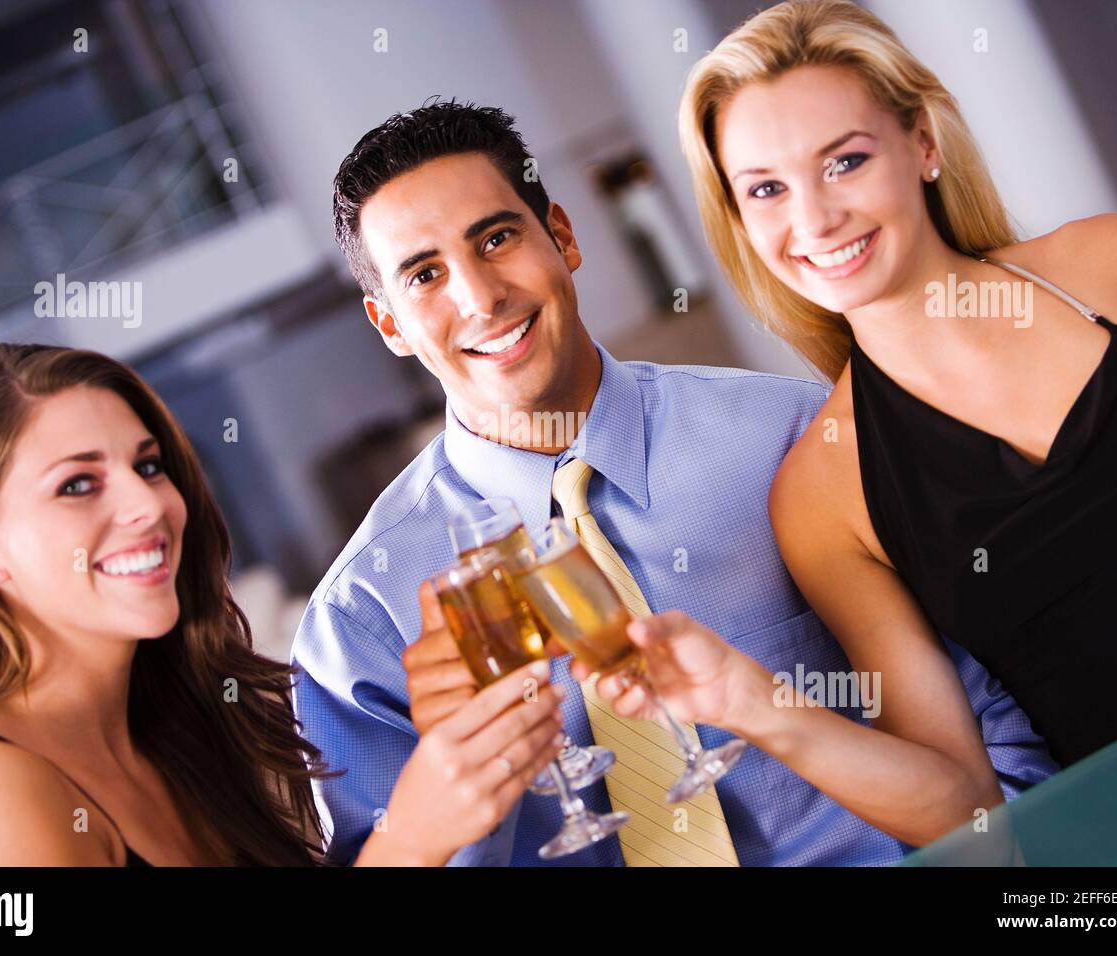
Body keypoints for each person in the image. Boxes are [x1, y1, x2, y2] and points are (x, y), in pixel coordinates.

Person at [295, 98, 1057, 868]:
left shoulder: (795, 438)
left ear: (562, 236)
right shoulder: (362, 620)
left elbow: (997, 733)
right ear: (388, 324)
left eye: (497, 238)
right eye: (424, 275)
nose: (480, 296)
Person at [615, 0, 1117, 772]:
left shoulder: (1116, 264)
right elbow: (958, 799)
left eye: (845, 161)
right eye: (766, 190)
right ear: (738, 220)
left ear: (922, 143)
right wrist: (748, 703)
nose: (815, 218)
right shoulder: (822, 494)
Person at [0, 344, 564, 866]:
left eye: (148, 466)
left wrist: (425, 757)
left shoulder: (183, 724)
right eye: (78, 484)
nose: (148, 504)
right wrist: (410, 841)